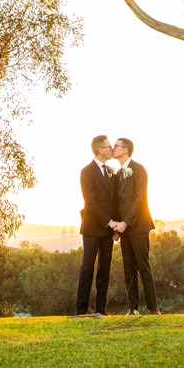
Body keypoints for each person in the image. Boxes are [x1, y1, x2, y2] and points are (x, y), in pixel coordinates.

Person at [112, 137, 161, 316]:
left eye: (116, 146)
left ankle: (152, 308)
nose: (112, 148)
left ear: (125, 150)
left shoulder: (139, 169)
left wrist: (126, 222)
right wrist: (117, 226)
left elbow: (140, 199)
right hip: (123, 228)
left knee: (143, 265)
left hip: (138, 225)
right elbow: (117, 202)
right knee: (128, 267)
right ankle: (132, 308)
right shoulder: (117, 174)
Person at [74, 135, 117, 317]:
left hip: (109, 230)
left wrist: (114, 227)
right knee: (88, 267)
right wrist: (109, 222)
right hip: (92, 228)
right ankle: (81, 310)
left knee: (105, 269)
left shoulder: (111, 171)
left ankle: (101, 310)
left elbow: (115, 201)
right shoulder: (86, 172)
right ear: (101, 150)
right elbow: (90, 201)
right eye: (109, 147)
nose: (111, 149)